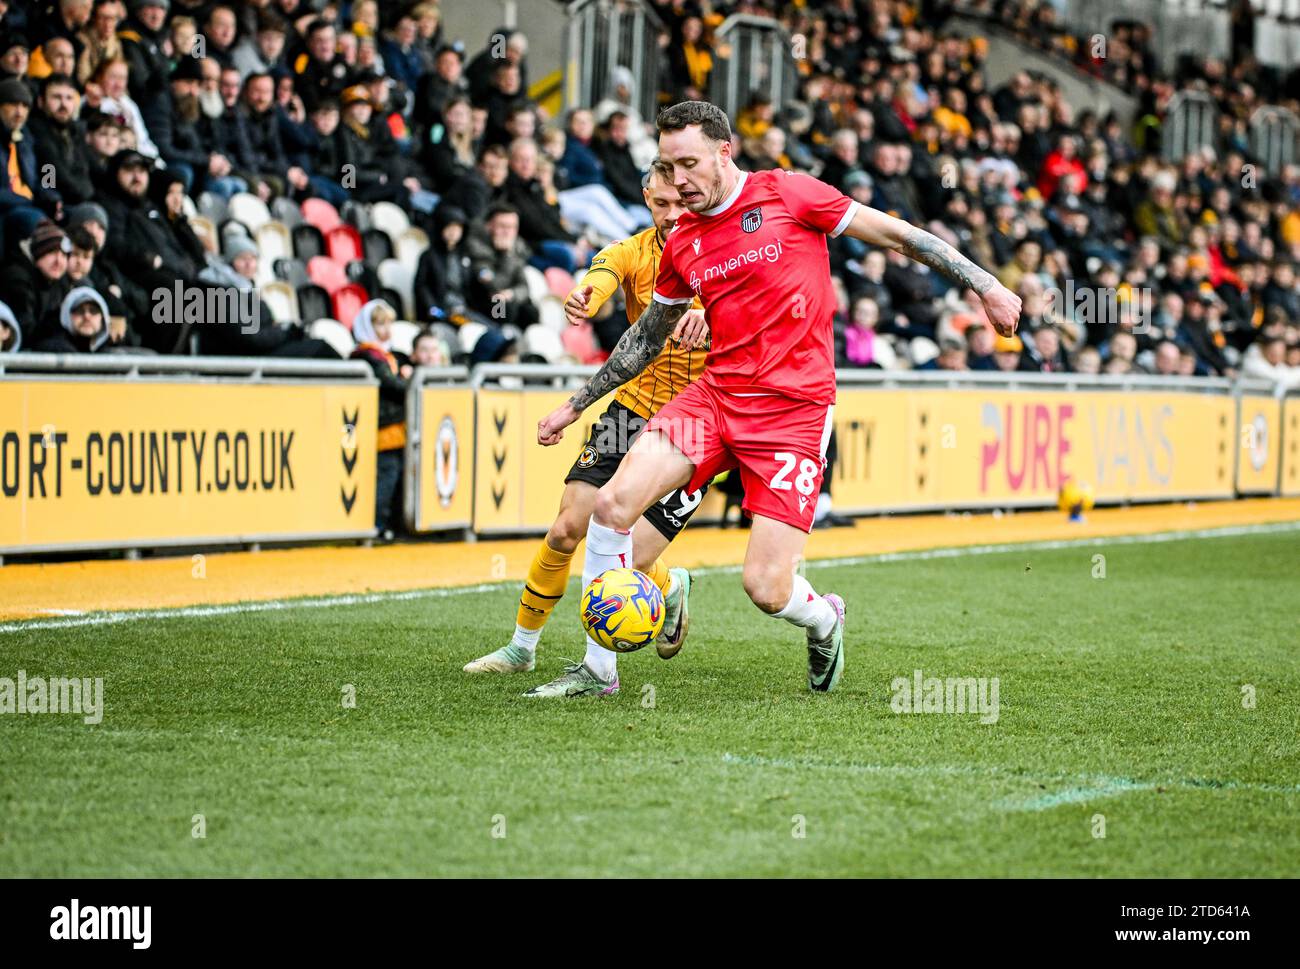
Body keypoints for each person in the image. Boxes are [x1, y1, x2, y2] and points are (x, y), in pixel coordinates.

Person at [534, 101, 1020, 696]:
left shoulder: (789, 193)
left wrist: (987, 285)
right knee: (611, 508)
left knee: (765, 587)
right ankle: (596, 671)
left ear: (724, 151)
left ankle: (823, 620)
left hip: (793, 411)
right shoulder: (683, 242)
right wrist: (576, 404)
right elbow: (644, 340)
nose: (679, 180)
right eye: (667, 165)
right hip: (714, 397)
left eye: (689, 163)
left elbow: (898, 234)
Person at [465, 166, 710, 688]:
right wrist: (586, 296)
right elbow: (602, 272)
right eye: (661, 204)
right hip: (632, 409)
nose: (672, 215)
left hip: (698, 423)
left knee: (628, 556)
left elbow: (759, 312)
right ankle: (521, 648)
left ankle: (658, 595)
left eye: (680, 203)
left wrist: (715, 317)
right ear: (646, 198)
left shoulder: (725, 253)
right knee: (565, 529)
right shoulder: (632, 251)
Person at [349, 299, 410, 538]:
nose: (386, 330)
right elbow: (393, 385)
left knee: (393, 477)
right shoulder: (367, 355)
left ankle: (388, 525)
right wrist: (407, 380)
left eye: (388, 324)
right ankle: (377, 524)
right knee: (386, 477)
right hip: (381, 428)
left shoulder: (385, 355)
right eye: (380, 324)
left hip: (394, 428)